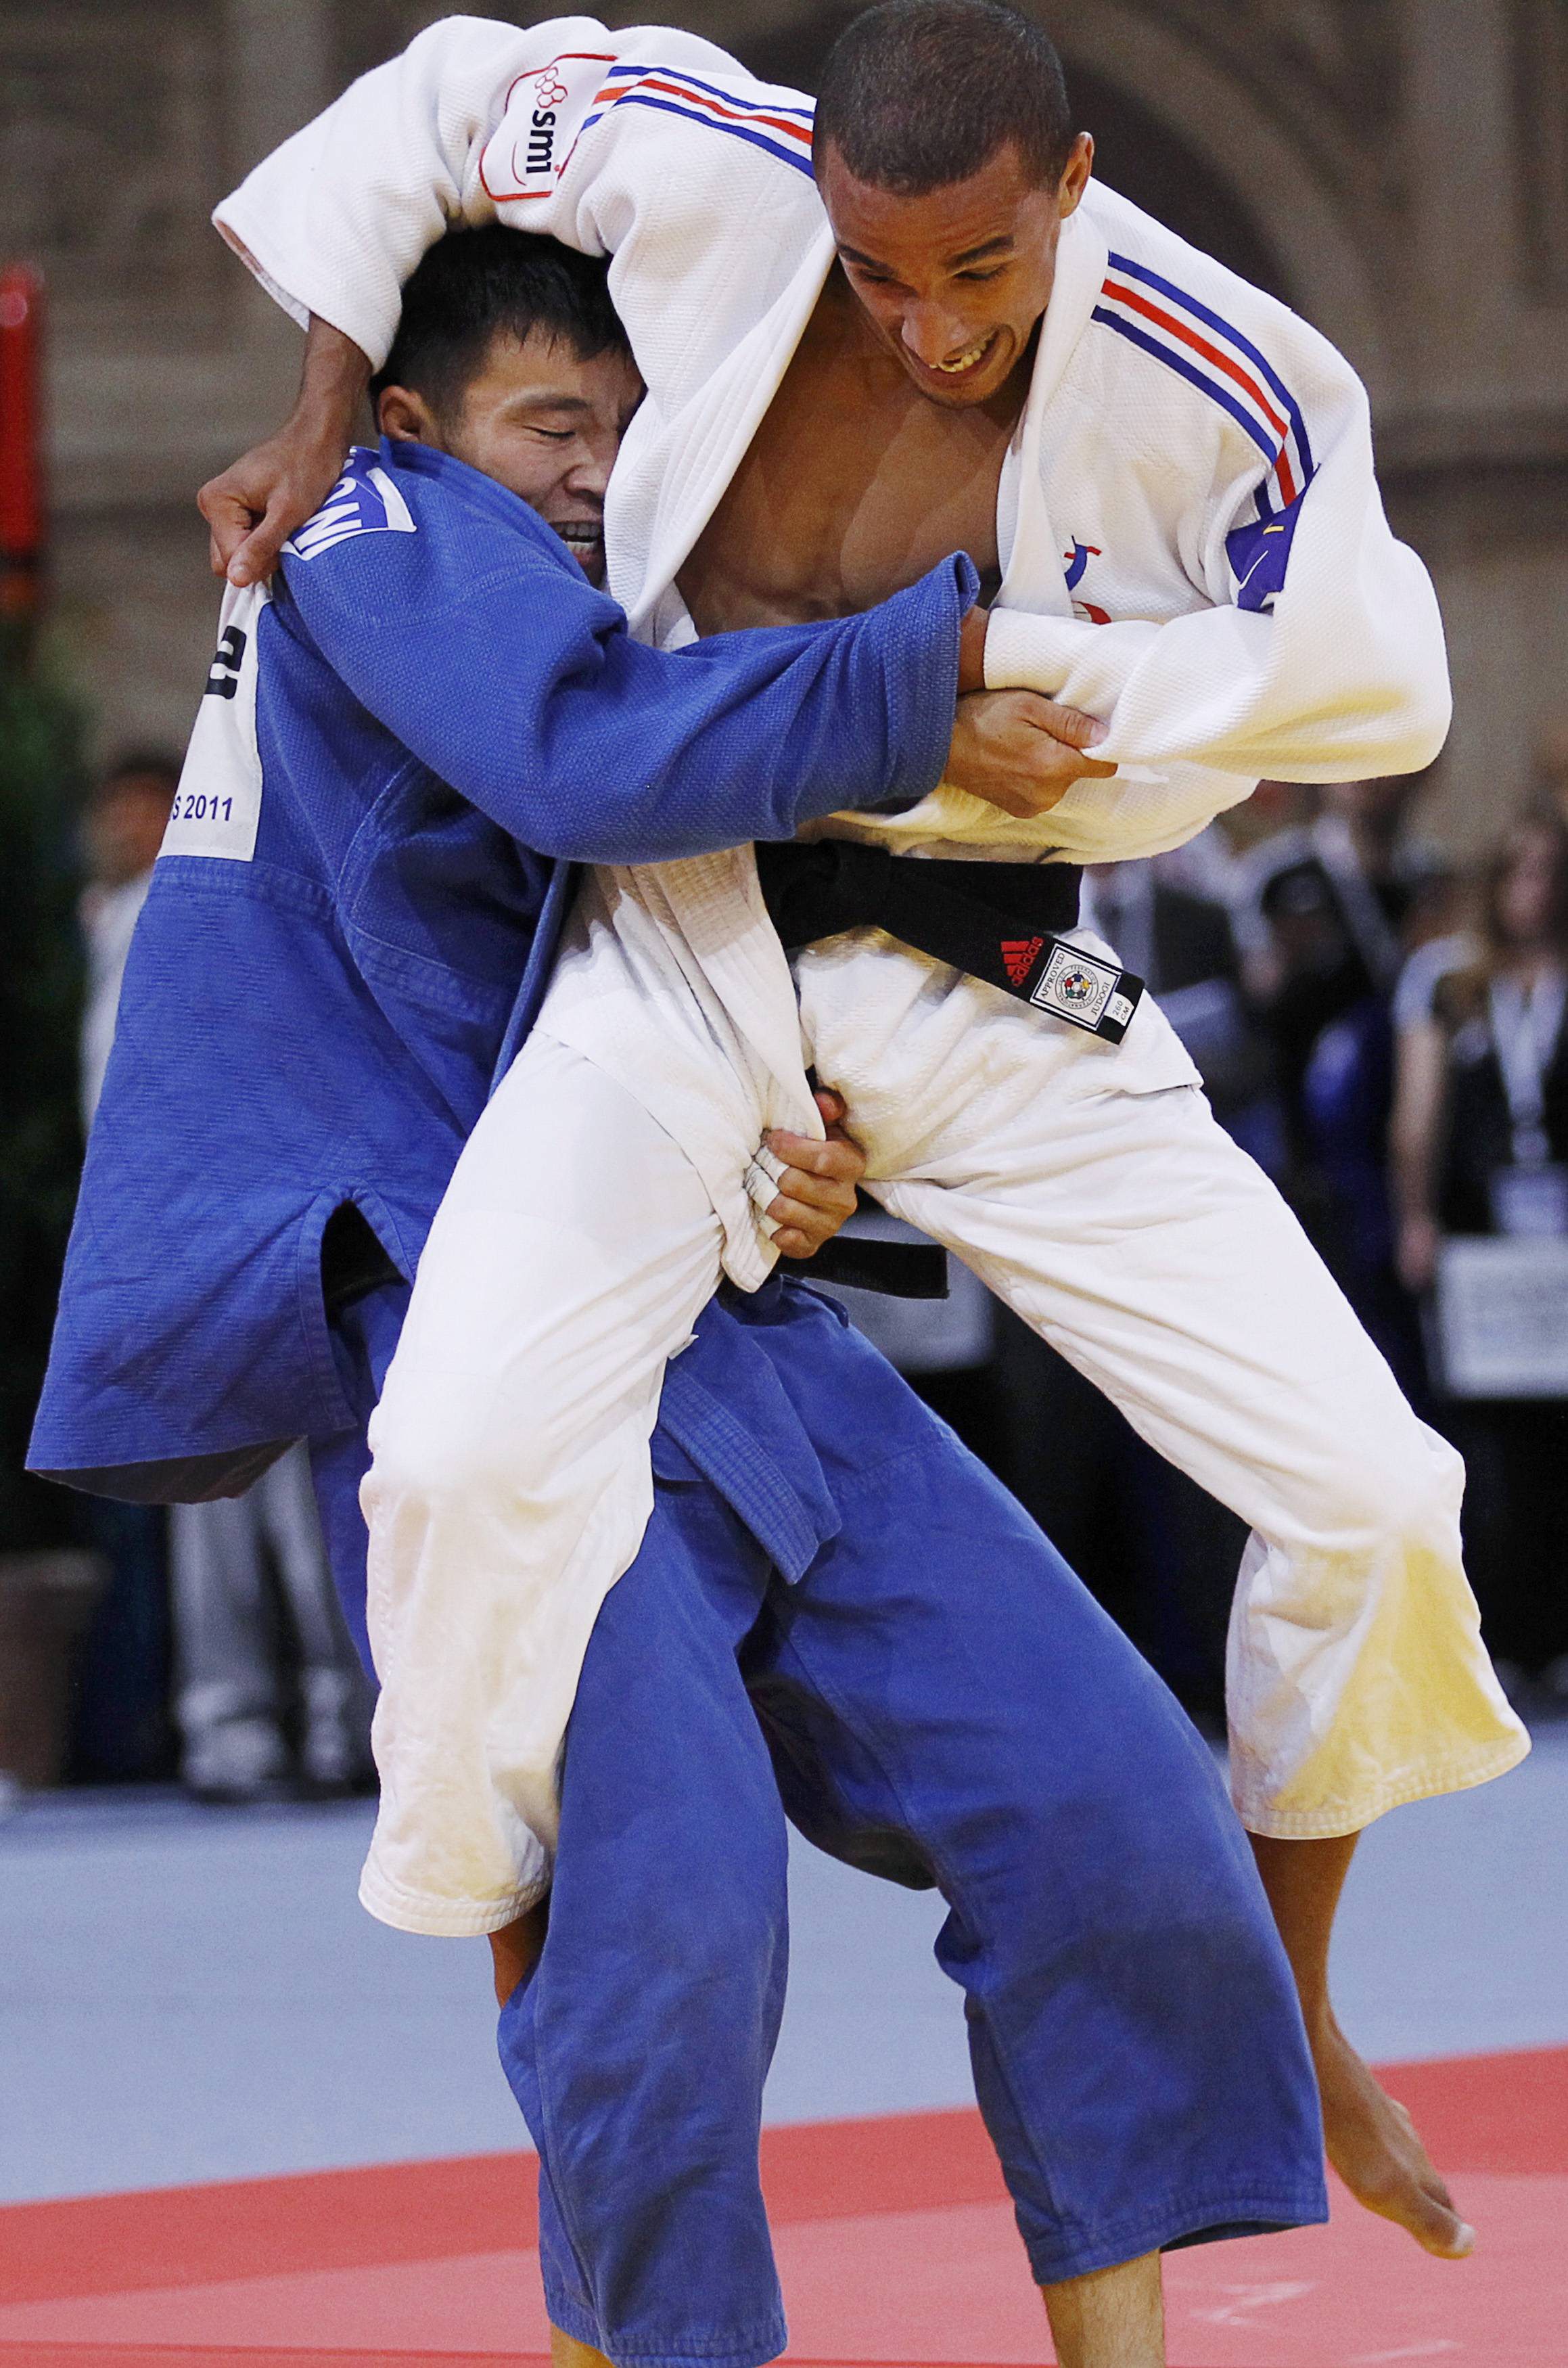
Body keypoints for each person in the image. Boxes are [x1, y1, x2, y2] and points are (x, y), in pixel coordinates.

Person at [201, 1, 1524, 2248]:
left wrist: (1062, 681)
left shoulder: (1234, 371)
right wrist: (321, 396)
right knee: (451, 1457)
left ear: (1071, 186)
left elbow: (1381, 666)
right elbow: (438, 101)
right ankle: (489, 1921)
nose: (920, 326)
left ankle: (1291, 2011)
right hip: (688, 940)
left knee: (1378, 1492)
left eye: (973, 277)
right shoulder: (708, 164)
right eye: (877, 269)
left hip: (1000, 978)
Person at [31, 231, 1332, 2368]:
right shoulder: (362, 534)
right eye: (554, 425)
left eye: (623, 435)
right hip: (486, 1319)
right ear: (414, 422)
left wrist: (800, 1134)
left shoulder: (583, 588)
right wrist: (949, 654)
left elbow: (674, 931)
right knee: (671, 1917)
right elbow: (595, 757)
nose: (591, 473)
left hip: (715, 1304)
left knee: (1111, 1799)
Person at [1390, 806, 1568, 1690]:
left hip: (1560, 1245)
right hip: (1479, 1242)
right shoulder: (1448, 980)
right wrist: (1413, 1216)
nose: (1531, 893)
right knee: (1483, 1447)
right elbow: (1414, 1119)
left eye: (1549, 874)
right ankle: (1495, 1636)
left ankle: (1556, 1635)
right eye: (1519, 873)